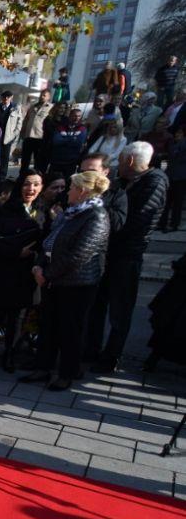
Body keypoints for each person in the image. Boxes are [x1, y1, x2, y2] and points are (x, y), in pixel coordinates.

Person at [22, 170, 111, 390]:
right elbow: (50, 241)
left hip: (77, 283)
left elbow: (80, 254)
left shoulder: (96, 215)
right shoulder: (71, 212)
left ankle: (67, 373)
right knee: (48, 325)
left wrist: (47, 274)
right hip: (53, 280)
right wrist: (40, 266)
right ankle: (43, 367)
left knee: (70, 330)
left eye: (71, 188)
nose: (68, 191)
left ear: (82, 191)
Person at [85, 141, 169, 372]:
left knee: (119, 310)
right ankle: (90, 350)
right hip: (107, 252)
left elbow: (133, 221)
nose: (116, 165)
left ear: (129, 161)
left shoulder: (155, 182)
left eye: (119, 160)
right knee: (97, 304)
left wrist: (107, 222)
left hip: (128, 255)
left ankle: (111, 356)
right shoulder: (123, 182)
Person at [0, 170, 45, 372]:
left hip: (27, 274)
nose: (30, 189)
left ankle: (9, 354)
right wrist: (16, 251)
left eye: (36, 184)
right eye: (26, 184)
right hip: (4, 270)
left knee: (18, 317)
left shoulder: (43, 211)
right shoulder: (7, 210)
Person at [48, 108, 88, 181]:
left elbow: (79, 143)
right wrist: (72, 138)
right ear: (70, 116)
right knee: (52, 181)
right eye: (74, 116)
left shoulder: (82, 129)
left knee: (67, 183)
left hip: (71, 162)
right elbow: (56, 141)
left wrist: (65, 138)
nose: (76, 118)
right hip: (57, 160)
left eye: (79, 116)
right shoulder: (61, 127)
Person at [19, 90, 53, 174]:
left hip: (40, 137)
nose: (42, 97)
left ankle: (36, 178)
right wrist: (22, 132)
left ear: (49, 97)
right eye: (41, 95)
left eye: (45, 95)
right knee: (25, 160)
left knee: (38, 162)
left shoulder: (51, 108)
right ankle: (22, 178)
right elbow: (26, 120)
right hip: (29, 136)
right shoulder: (32, 107)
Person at [159, 128, 186, 232]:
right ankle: (163, 222)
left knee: (177, 202)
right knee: (167, 201)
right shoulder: (172, 143)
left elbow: (175, 154)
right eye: (177, 132)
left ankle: (174, 224)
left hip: (181, 176)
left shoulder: (182, 144)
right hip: (171, 174)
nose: (177, 134)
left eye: (180, 133)